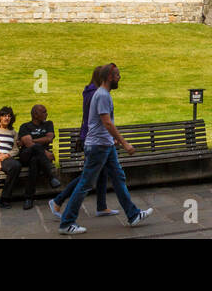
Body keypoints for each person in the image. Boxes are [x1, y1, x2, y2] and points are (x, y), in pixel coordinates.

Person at [58, 63, 152, 234]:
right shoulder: (102, 95)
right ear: (109, 76)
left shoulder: (103, 94)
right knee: (85, 184)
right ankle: (66, 223)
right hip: (98, 147)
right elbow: (106, 122)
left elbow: (104, 124)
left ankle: (133, 214)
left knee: (118, 177)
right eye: (117, 75)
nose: (119, 78)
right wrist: (124, 143)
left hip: (105, 145)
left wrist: (112, 140)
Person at [50, 66, 113, 218]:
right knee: (88, 175)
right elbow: (100, 119)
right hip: (94, 139)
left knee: (102, 171)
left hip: (93, 137)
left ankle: (102, 206)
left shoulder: (91, 92)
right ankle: (58, 201)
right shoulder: (95, 94)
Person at [17, 104, 60, 209]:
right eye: (44, 112)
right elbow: (28, 144)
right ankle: (51, 177)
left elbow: (49, 138)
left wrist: (33, 140)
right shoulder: (25, 126)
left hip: (37, 159)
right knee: (35, 150)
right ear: (35, 115)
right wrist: (45, 152)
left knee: (35, 161)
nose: (46, 114)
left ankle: (28, 198)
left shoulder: (48, 124)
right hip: (26, 155)